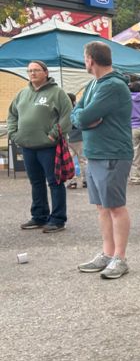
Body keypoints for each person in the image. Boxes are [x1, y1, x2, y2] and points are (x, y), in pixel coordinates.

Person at [72, 40, 134, 280]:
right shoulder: (94, 85)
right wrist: (84, 118)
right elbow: (77, 114)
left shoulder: (113, 85)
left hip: (112, 152)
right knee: (102, 206)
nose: (84, 62)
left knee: (115, 206)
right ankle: (108, 254)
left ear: (90, 59)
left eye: (84, 58)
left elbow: (82, 116)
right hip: (96, 152)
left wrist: (83, 118)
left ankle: (120, 257)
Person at [7, 60, 73, 232]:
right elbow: (12, 115)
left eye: (36, 70)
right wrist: (14, 133)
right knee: (36, 182)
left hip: (49, 147)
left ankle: (58, 219)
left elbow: (67, 116)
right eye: (30, 71)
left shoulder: (57, 93)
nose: (32, 73)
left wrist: (53, 134)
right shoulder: (22, 94)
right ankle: (39, 216)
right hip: (27, 146)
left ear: (46, 72)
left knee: (55, 182)